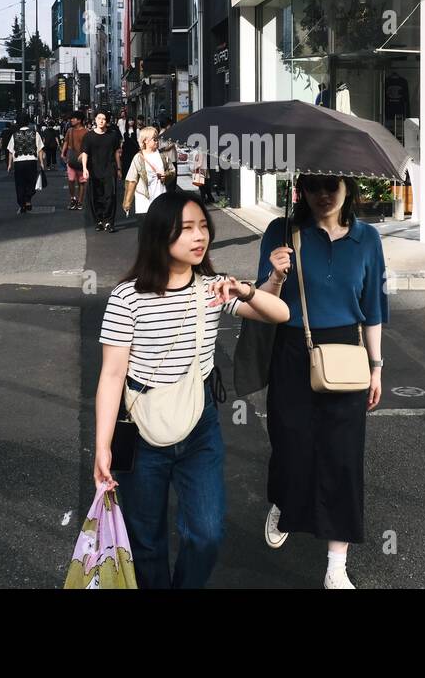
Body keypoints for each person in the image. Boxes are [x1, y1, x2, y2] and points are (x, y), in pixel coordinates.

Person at [93, 191, 289, 589]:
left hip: (199, 424)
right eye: (186, 229)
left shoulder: (214, 288)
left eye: (203, 227)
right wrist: (103, 445)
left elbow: (279, 314)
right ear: (159, 236)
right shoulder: (126, 297)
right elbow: (112, 374)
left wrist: (258, 286)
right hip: (140, 426)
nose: (199, 237)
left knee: (207, 533)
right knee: (146, 540)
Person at [255, 174, 388, 589]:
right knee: (290, 443)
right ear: (301, 190)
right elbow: (262, 301)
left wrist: (377, 365)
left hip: (348, 353)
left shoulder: (367, 240)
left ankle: (336, 564)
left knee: (343, 457)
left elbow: (374, 307)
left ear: (349, 187)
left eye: (332, 185)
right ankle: (284, 499)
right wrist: (276, 275)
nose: (323, 195)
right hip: (292, 348)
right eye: (313, 186)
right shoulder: (282, 231)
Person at [80, 109, 123, 233]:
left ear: (107, 121)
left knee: (110, 196)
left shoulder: (112, 135)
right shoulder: (89, 136)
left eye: (103, 119)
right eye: (99, 118)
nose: (101, 121)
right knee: (96, 196)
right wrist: (84, 169)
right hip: (94, 170)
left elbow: (116, 153)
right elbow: (85, 153)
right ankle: (98, 220)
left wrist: (119, 168)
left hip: (109, 169)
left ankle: (109, 221)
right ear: (95, 119)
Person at [122, 127, 172, 219]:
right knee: (145, 227)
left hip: (160, 193)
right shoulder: (138, 157)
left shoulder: (162, 155)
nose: (157, 141)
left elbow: (172, 170)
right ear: (145, 141)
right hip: (144, 197)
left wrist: (167, 176)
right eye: (154, 139)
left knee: (160, 226)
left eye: (157, 139)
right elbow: (132, 180)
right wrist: (127, 202)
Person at [6, 120, 44, 214]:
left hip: (18, 162)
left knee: (20, 183)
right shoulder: (35, 134)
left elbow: (11, 151)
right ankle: (27, 200)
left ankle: (21, 203)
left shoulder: (14, 135)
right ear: (28, 123)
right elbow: (40, 149)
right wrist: (41, 162)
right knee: (31, 181)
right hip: (31, 161)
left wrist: (9, 164)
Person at [62, 112, 88, 211]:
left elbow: (88, 146)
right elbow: (66, 141)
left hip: (82, 160)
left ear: (79, 120)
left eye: (73, 118)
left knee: (82, 181)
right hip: (71, 159)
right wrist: (63, 153)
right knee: (71, 179)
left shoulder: (86, 132)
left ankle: (80, 201)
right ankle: (73, 198)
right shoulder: (70, 130)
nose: (71, 120)